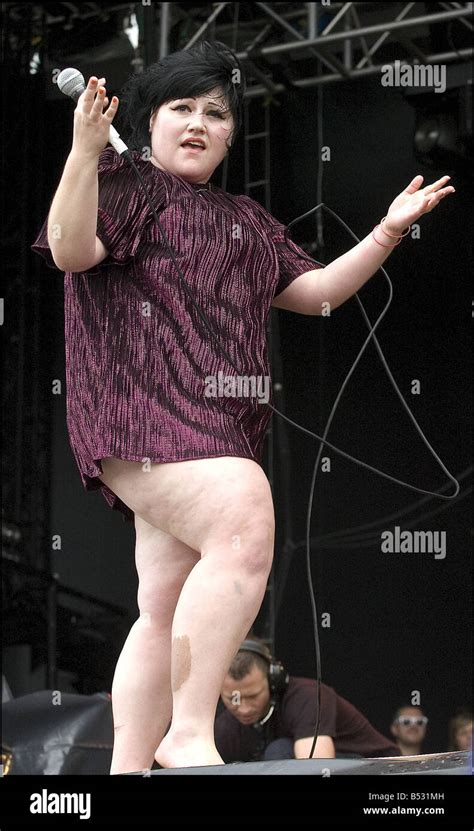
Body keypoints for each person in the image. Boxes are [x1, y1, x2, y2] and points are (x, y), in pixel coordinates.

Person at [31, 40, 455, 773]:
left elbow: (317, 293)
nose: (198, 123)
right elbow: (70, 250)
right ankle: (189, 731)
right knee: (243, 509)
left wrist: (387, 231)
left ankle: (126, 768)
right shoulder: (123, 184)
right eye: (181, 108)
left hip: (211, 422)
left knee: (162, 602)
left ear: (231, 134)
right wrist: (83, 153)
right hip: (138, 414)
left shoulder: (247, 220)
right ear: (151, 121)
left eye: (215, 112)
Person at [215, 638, 400, 761]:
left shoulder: (308, 697)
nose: (244, 708)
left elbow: (316, 769)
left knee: (279, 751)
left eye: (253, 696)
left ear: (273, 680)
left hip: (380, 770)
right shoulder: (227, 726)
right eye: (234, 698)